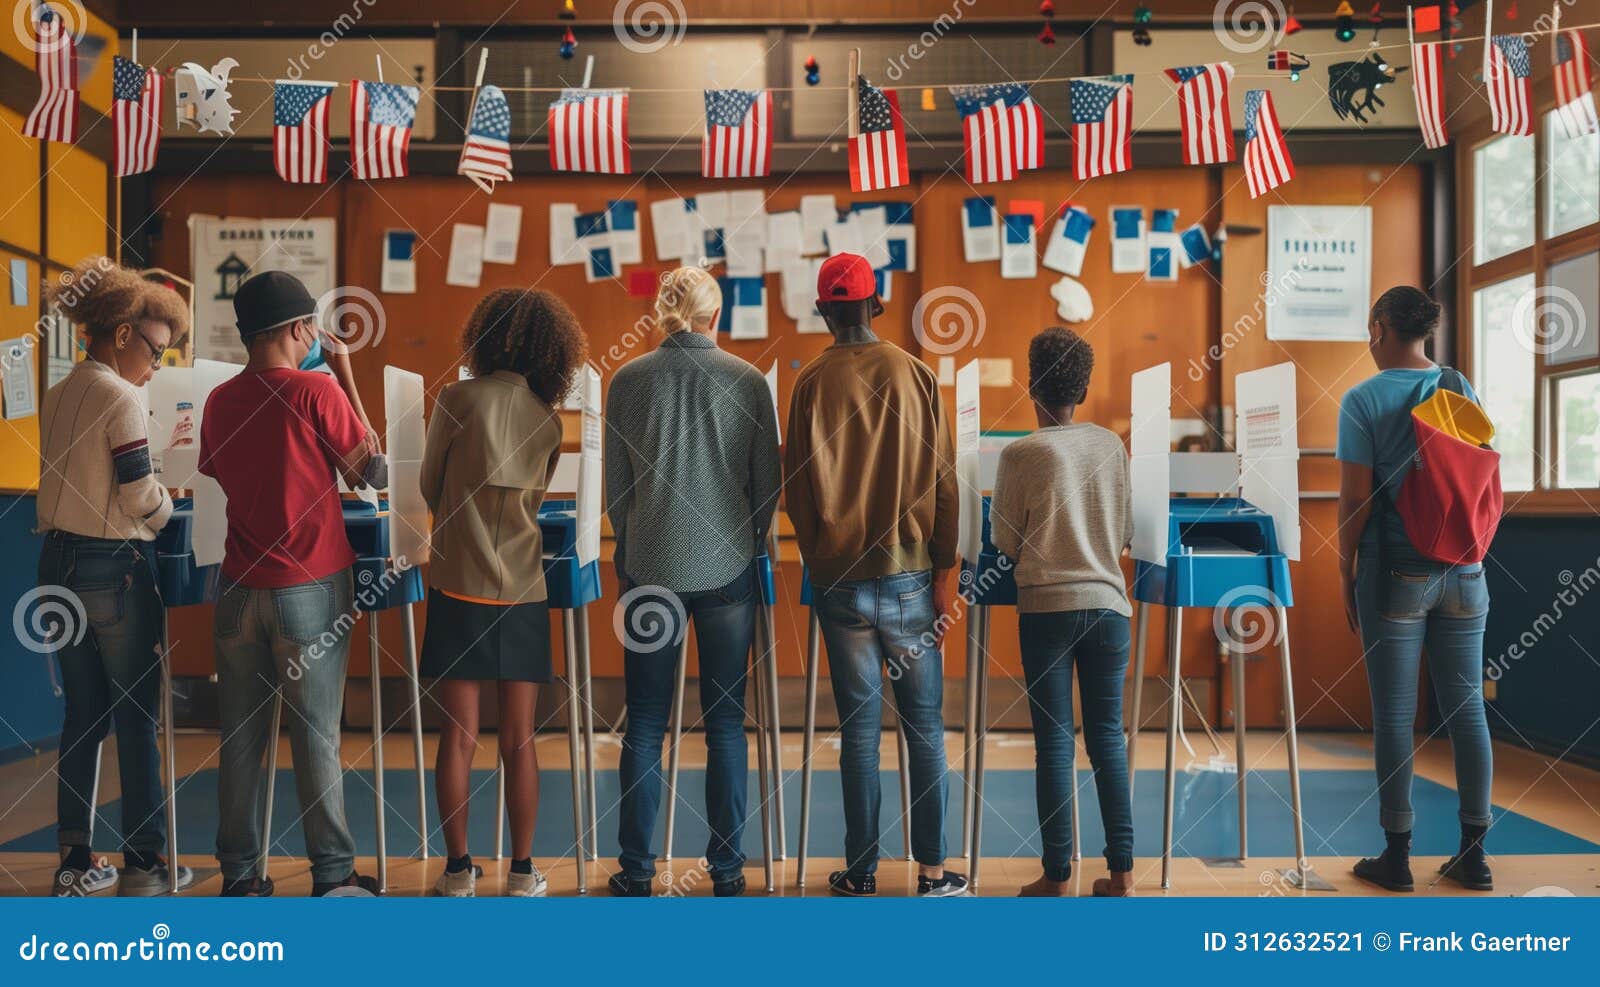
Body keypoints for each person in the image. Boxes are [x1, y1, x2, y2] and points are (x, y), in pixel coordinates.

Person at [199, 270, 388, 897]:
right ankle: (333, 875)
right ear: (297, 328)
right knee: (316, 738)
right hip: (310, 590)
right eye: (311, 325)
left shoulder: (220, 400)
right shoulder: (316, 391)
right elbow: (373, 472)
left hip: (236, 589)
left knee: (240, 742)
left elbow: (221, 475)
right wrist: (346, 378)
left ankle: (240, 876)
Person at [783, 253, 966, 897]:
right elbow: (947, 485)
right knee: (925, 729)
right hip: (912, 576)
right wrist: (946, 575)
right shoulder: (915, 374)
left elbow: (795, 491)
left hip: (839, 582)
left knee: (858, 732)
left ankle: (860, 871)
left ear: (825, 310)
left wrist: (820, 555)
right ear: (875, 303)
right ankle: (933, 872)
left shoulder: (808, 383)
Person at [603, 266, 781, 898]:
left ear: (662, 313)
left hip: (649, 567)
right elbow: (768, 486)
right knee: (726, 721)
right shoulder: (748, 380)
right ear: (716, 316)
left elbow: (616, 491)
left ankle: (635, 871)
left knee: (646, 722)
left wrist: (631, 550)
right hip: (729, 568)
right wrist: (745, 542)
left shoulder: (626, 380)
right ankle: (728, 871)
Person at [418, 288, 586, 898]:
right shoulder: (545, 418)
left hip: (457, 582)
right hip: (521, 589)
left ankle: (458, 871)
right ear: (552, 351)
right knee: (520, 738)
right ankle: (521, 871)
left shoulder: (457, 399)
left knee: (458, 735)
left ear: (484, 337)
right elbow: (538, 500)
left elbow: (429, 484)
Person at [36, 257, 193, 896]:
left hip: (55, 562)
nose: (158, 367)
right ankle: (146, 862)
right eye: (157, 351)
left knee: (83, 712)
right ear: (123, 335)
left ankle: (75, 860)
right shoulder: (121, 395)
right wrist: (171, 505)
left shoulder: (58, 392)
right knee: (134, 714)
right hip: (114, 567)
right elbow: (135, 495)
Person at [1337, 286, 1494, 893]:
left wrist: (1344, 569)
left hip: (1397, 572)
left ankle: (1396, 858)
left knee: (1395, 717)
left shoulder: (1363, 399)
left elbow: (1354, 500)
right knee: (1467, 711)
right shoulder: (1459, 386)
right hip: (1466, 572)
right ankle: (1473, 856)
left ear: (1378, 329)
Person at [990, 327, 1135, 897]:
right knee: (1107, 738)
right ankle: (1121, 871)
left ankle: (1056, 874)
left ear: (1032, 385)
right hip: (1109, 609)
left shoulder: (1020, 453)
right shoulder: (1110, 446)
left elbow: (1004, 540)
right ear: (1084, 386)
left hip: (1047, 610)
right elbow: (1122, 531)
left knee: (1053, 740)